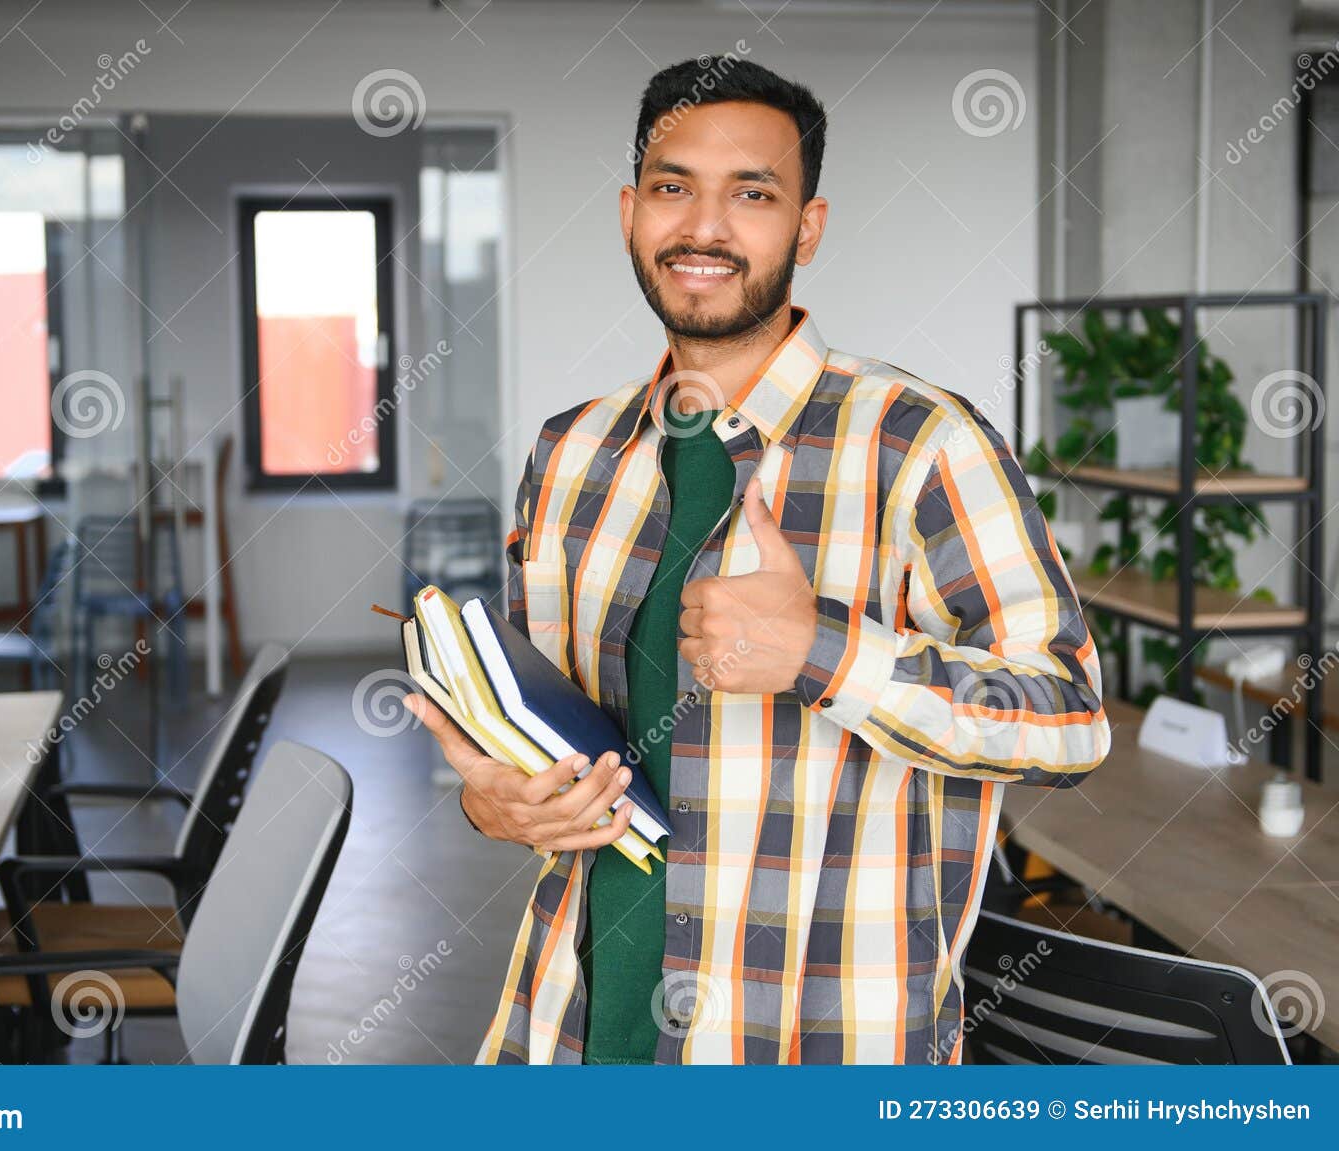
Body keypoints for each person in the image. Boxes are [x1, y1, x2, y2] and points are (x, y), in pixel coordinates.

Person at [404, 55, 1110, 1065]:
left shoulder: (921, 444)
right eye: (672, 187)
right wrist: (494, 803)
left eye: (752, 194)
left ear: (805, 229)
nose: (703, 228)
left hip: (810, 1048)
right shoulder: (569, 454)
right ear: (629, 212)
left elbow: (1070, 721)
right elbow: (551, 731)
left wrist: (823, 651)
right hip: (571, 1025)